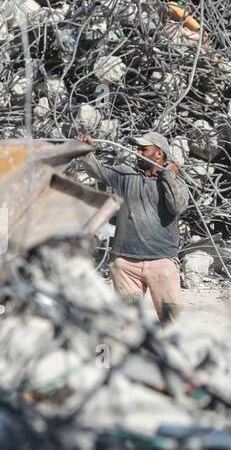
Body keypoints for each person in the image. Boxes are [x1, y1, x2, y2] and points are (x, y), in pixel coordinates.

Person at [76, 130, 190, 323]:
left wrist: (169, 176)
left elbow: (177, 206)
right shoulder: (126, 175)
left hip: (162, 263)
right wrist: (85, 152)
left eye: (143, 149)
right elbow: (97, 170)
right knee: (129, 326)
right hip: (125, 265)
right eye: (137, 148)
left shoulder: (176, 183)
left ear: (159, 154)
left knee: (172, 326)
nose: (138, 152)